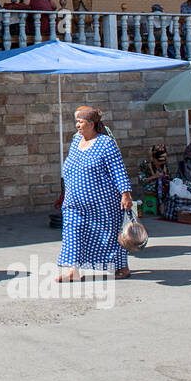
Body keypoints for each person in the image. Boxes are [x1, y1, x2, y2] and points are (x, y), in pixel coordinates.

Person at [58, 106, 134, 282]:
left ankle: (121, 266)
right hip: (74, 201)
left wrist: (125, 194)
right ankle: (73, 270)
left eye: (81, 122)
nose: (77, 125)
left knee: (110, 235)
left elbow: (118, 170)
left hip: (103, 202)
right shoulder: (77, 140)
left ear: (91, 124)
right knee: (72, 231)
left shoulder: (106, 143)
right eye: (76, 122)